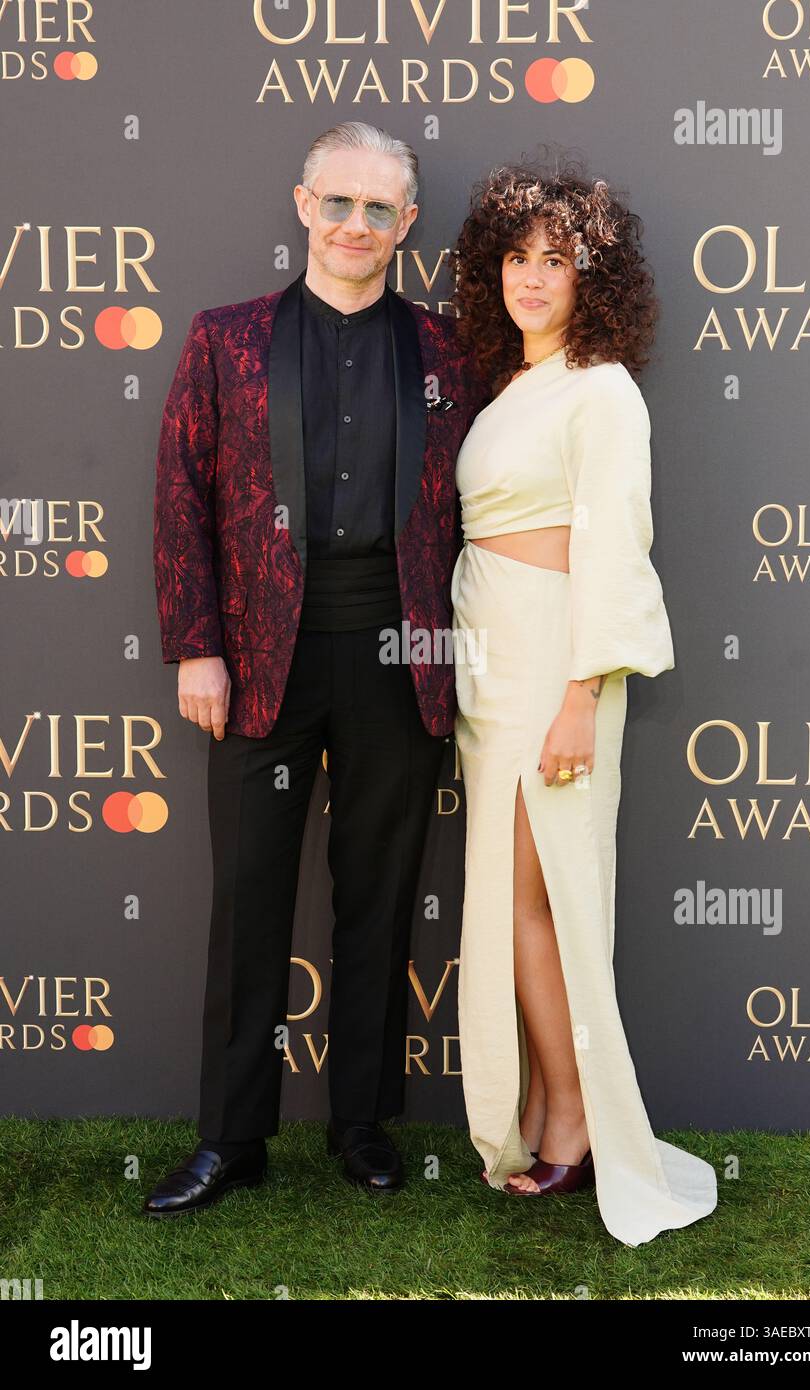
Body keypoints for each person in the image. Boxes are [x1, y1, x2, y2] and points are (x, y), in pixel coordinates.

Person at [145, 121, 487, 1216]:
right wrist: (197, 645)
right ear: (302, 206)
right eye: (337, 202)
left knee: (379, 897)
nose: (355, 224)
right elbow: (180, 498)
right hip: (256, 664)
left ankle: (361, 1125)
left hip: (399, 660)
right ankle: (231, 1138)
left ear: (407, 225)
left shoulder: (449, 354)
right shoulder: (224, 340)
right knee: (248, 899)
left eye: (379, 208)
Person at [447, 161, 718, 1246]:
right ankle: (551, 1108)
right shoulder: (513, 385)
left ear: (591, 278)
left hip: (555, 669)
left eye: (556, 259)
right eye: (518, 255)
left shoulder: (603, 388)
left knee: (535, 906)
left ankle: (572, 1122)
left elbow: (614, 549)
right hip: (490, 669)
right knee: (514, 906)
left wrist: (578, 695)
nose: (532, 276)